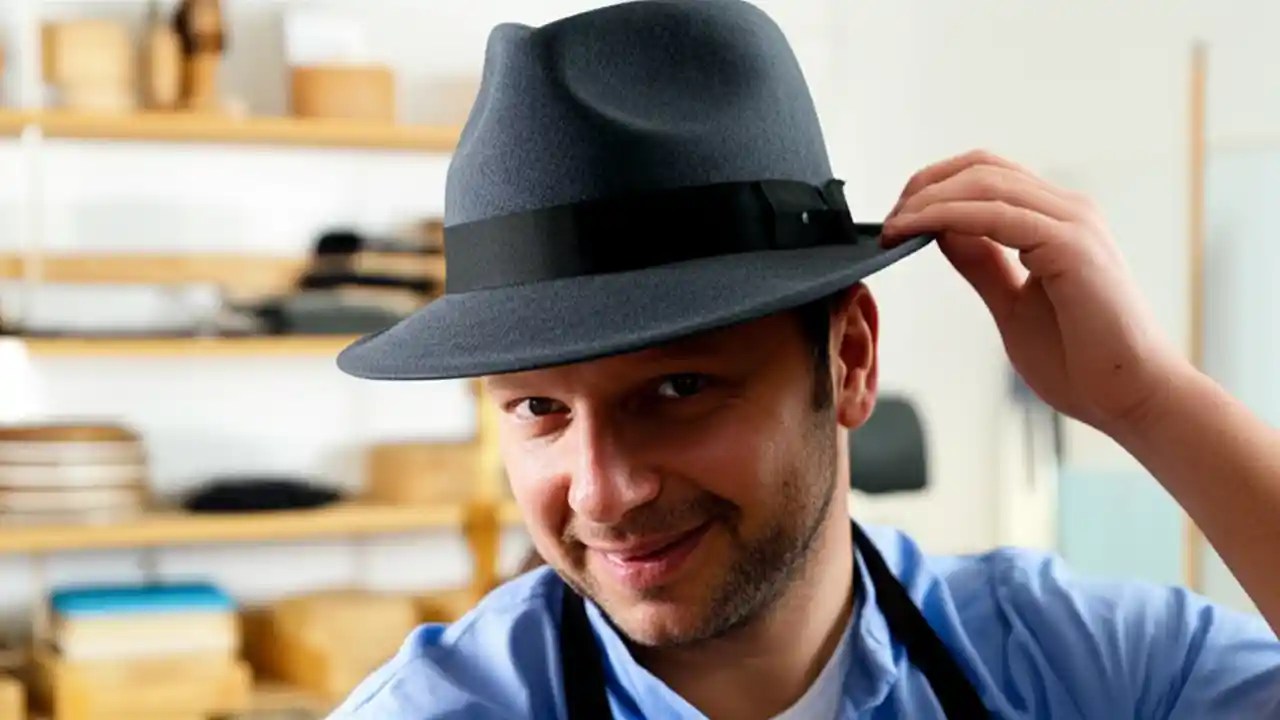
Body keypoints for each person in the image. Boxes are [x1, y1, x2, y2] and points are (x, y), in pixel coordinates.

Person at [328, 1, 1280, 718]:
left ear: (851, 359)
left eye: (678, 387)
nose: (602, 492)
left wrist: (1153, 404)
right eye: (539, 408)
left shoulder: (1071, 666)